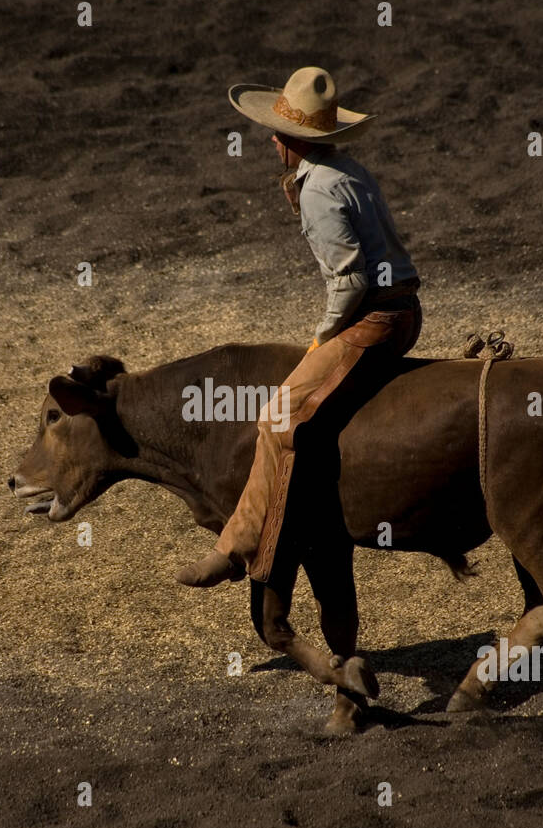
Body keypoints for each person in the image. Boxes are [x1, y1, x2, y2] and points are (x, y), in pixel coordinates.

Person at [176, 66, 423, 587]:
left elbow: (350, 278)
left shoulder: (318, 190)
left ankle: (237, 546)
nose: (270, 140)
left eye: (279, 134)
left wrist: (324, 334)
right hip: (403, 308)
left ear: (292, 141)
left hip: (373, 318)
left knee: (278, 416)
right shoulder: (350, 170)